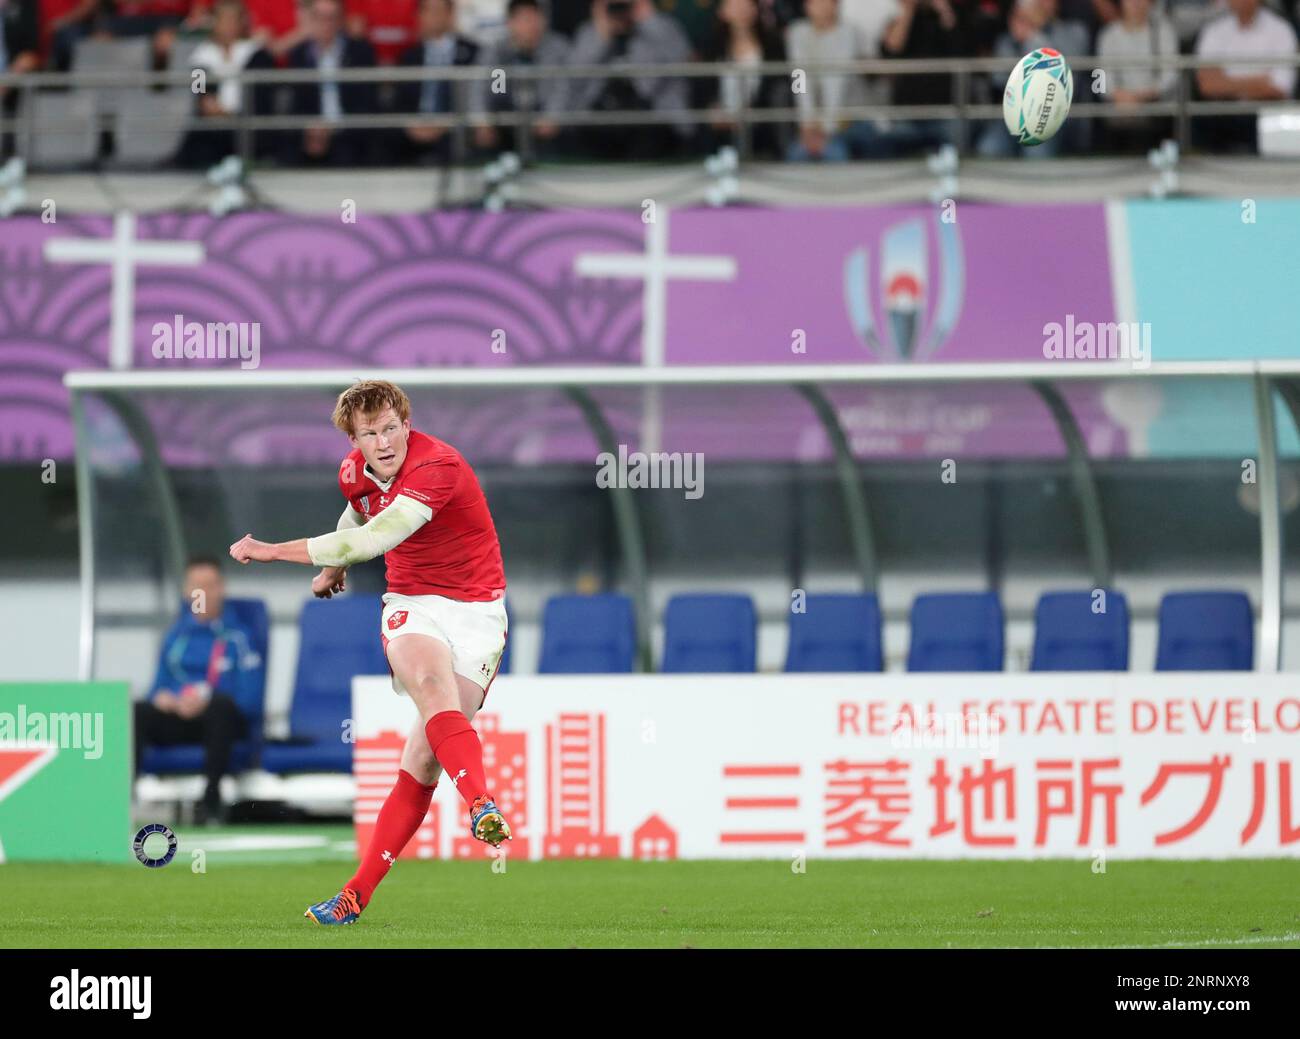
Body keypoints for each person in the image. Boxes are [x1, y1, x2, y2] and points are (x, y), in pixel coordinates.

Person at [228, 379, 511, 926]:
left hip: (477, 613)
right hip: (412, 603)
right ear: (354, 440)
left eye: (389, 428)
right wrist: (333, 568)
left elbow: (374, 538)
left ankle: (355, 893)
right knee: (431, 691)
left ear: (406, 423)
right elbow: (358, 518)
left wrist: (272, 551)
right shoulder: (353, 473)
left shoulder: (438, 467)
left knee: (426, 757)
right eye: (368, 434)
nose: (382, 443)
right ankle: (481, 804)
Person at [134, 555, 265, 824]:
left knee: (221, 708)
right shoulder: (174, 636)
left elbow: (250, 701)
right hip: (179, 721)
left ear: (222, 589)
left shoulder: (240, 637)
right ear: (185, 591)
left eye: (210, 585)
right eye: (197, 585)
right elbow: (155, 690)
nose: (203, 593)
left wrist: (205, 700)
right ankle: (121, 799)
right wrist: (166, 700)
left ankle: (210, 801)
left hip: (220, 723)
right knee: (137, 711)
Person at [567, 0, 694, 159]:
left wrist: (649, 20)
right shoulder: (590, 32)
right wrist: (601, 34)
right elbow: (575, 77)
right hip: (601, 118)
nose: (621, 9)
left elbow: (682, 59)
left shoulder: (661, 26)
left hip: (652, 117)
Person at [177, 0, 275, 167]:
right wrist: (206, 101)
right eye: (223, 20)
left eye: (232, 20)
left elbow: (262, 98)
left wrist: (234, 113)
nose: (227, 26)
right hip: (213, 125)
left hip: (246, 125)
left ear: (241, 23)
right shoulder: (201, 56)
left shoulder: (257, 54)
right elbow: (198, 89)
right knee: (198, 139)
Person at [471, 0, 571, 158]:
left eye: (535, 18)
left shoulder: (557, 48)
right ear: (510, 23)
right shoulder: (498, 51)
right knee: (484, 140)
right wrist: (482, 122)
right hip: (506, 113)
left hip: (541, 114)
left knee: (556, 142)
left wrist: (552, 117)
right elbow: (485, 90)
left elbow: (562, 88)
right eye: (525, 19)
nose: (532, 25)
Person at [1194, 0, 1297, 153]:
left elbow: (1280, 88)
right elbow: (1206, 86)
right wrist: (1257, 82)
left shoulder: (1281, 30)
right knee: (1201, 118)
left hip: (1263, 112)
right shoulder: (1214, 30)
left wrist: (1224, 82)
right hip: (1223, 112)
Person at [285, 0, 379, 165]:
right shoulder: (298, 55)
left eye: (331, 17)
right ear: (311, 20)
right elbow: (297, 103)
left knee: (355, 150)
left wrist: (334, 128)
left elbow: (367, 101)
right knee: (289, 150)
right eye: (320, 17)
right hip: (311, 132)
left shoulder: (360, 52)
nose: (326, 24)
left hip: (349, 130)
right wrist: (310, 128)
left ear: (341, 20)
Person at [696, 0, 789, 158]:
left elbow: (794, 79)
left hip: (760, 119)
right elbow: (701, 87)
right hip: (721, 119)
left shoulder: (773, 44)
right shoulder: (710, 46)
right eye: (734, 5)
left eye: (747, 4)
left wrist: (756, 109)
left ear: (755, 9)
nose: (741, 10)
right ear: (722, 11)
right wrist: (713, 109)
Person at [393, 0, 479, 163]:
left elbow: (495, 84)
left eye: (438, 11)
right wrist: (409, 125)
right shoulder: (409, 56)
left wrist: (446, 124)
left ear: (450, 14)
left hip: (455, 126)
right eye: (428, 11)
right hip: (416, 129)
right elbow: (399, 101)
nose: (433, 17)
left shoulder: (473, 51)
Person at [785, 0, 867, 161]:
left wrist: (826, 130)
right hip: (810, 125)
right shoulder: (797, 32)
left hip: (845, 121)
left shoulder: (848, 32)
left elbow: (837, 83)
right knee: (795, 154)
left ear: (836, 5)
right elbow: (799, 78)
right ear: (806, 6)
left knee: (835, 153)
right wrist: (807, 125)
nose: (821, 6)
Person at [1095, 0, 1178, 153]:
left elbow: (1171, 75)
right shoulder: (1108, 35)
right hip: (1118, 106)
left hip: (1155, 103)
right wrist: (1118, 96)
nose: (1136, 3)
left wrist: (1141, 96)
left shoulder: (1164, 31)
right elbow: (1099, 80)